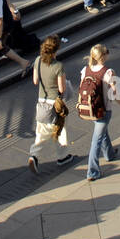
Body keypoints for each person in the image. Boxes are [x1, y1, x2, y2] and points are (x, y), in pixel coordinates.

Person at [77, 43, 120, 181]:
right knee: (97, 139)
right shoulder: (108, 72)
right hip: (104, 110)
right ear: (103, 56)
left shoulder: (85, 70)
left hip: (90, 109)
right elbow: (114, 94)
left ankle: (110, 154)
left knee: (101, 130)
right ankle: (92, 172)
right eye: (106, 52)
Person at [27, 35, 76, 174]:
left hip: (41, 103)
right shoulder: (58, 66)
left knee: (41, 132)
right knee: (60, 130)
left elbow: (35, 81)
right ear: (56, 50)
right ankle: (62, 156)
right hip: (55, 104)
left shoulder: (37, 60)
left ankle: (34, 155)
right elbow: (61, 89)